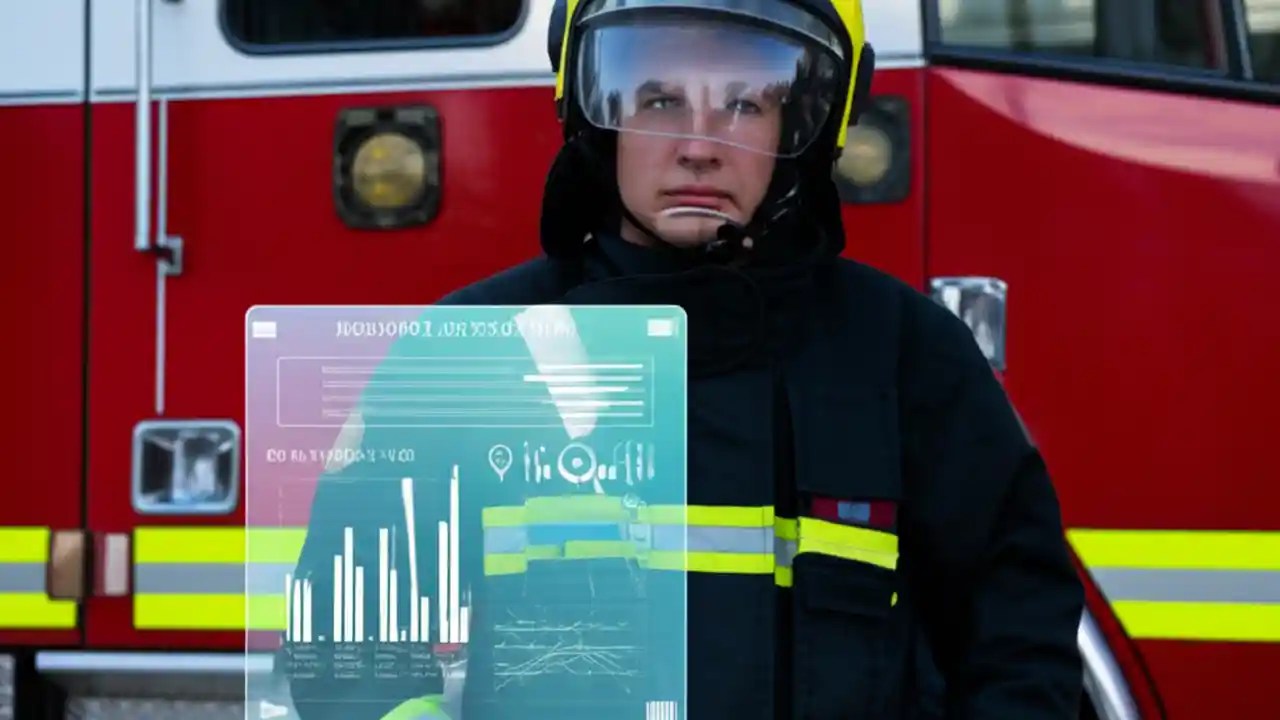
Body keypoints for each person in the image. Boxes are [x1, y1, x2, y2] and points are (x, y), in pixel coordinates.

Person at [280, 0, 1086, 718]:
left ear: (806, 125)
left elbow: (1018, 640)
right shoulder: (477, 348)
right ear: (595, 115)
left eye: (744, 101)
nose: (699, 145)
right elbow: (346, 646)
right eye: (659, 98)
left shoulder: (908, 355)